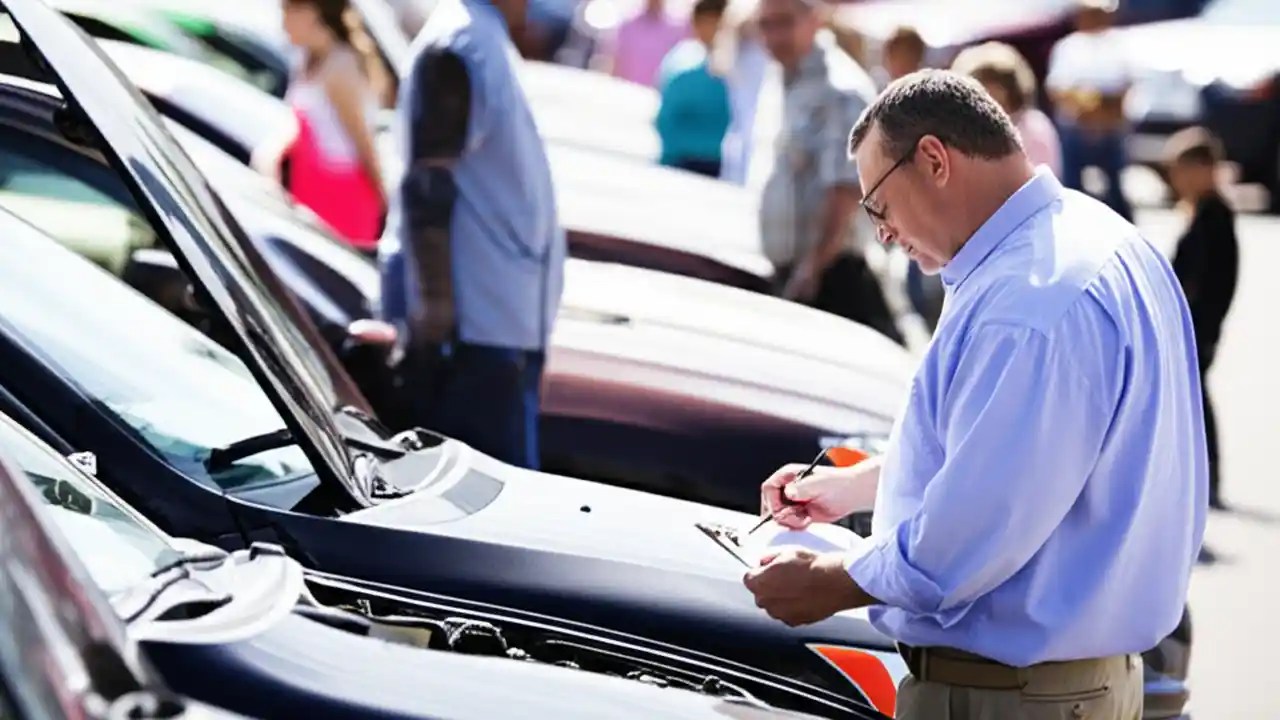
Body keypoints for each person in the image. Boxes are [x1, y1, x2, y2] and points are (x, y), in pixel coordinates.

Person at [743, 70, 1206, 719]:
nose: (882, 233)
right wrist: (855, 487)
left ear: (933, 160)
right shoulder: (1091, 237)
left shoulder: (1031, 302)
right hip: (1061, 685)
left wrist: (831, 581)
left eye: (876, 203)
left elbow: (965, 541)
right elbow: (1028, 467)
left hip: (1013, 695)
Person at [377, 0, 566, 470]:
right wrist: (434, 322)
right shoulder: (460, 45)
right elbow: (427, 184)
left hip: (493, 324)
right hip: (471, 334)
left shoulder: (481, 36)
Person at [756, 0, 905, 346]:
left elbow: (845, 188)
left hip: (831, 277)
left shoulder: (839, 88)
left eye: (784, 23)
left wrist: (813, 266)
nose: (774, 36)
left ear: (814, 20)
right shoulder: (782, 78)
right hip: (796, 272)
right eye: (766, 25)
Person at [1166, 127, 1238, 510]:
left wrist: (1202, 325)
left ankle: (1206, 473)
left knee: (1194, 398)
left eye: (1183, 170)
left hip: (1200, 325)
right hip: (1195, 324)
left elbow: (1212, 279)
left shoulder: (1216, 217)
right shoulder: (1204, 213)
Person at [280, 0, 387, 254]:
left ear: (310, 12)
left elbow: (362, 141)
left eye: (287, 12)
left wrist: (385, 198)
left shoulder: (341, 65)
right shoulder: (308, 59)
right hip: (308, 185)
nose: (283, 24)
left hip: (342, 195)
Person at [1045, 0, 1135, 221]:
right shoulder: (1067, 47)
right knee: (1072, 188)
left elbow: (1125, 88)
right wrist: (1086, 106)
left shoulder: (1119, 45)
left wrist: (1100, 113)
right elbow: (1057, 89)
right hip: (1076, 127)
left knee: (1115, 189)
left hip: (1110, 128)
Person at [952, 41, 1061, 176]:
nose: (987, 94)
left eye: (993, 83)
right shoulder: (961, 134)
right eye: (979, 84)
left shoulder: (1033, 127)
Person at [654, 0, 733, 178]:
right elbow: (665, 117)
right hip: (679, 163)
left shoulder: (738, 67)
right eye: (709, 22)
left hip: (719, 166)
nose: (714, 29)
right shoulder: (681, 61)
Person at [592, 0, 687, 87]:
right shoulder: (628, 27)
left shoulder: (677, 30)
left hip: (658, 96)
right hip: (628, 93)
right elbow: (615, 64)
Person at [874, 25, 924, 89]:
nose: (901, 66)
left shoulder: (924, 93)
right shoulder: (878, 89)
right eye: (895, 58)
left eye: (907, 60)